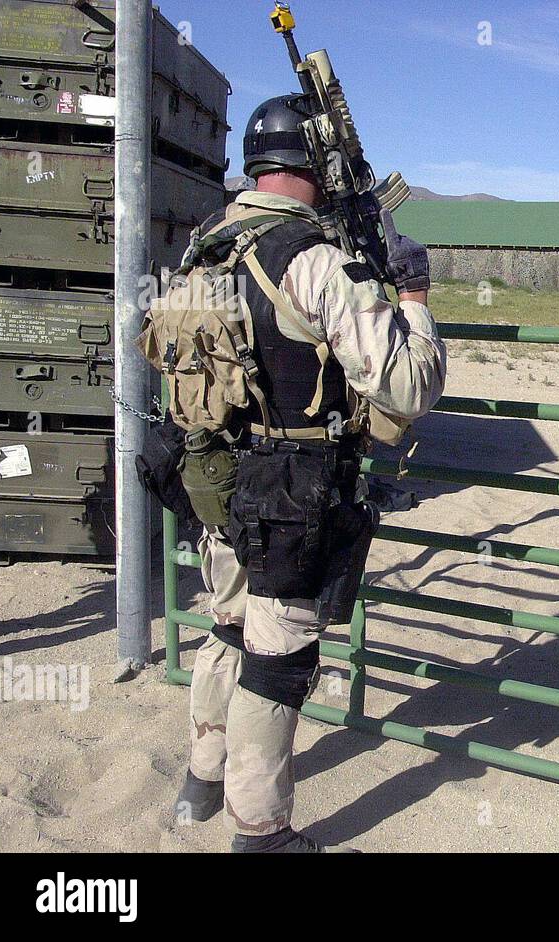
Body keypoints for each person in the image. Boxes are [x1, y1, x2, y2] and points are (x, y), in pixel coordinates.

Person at [171, 94, 447, 852]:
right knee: (278, 665)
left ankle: (200, 784)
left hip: (218, 483)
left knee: (226, 631)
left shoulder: (205, 246)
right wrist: (414, 296)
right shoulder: (312, 260)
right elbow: (408, 386)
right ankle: (260, 833)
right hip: (290, 496)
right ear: (312, 169)